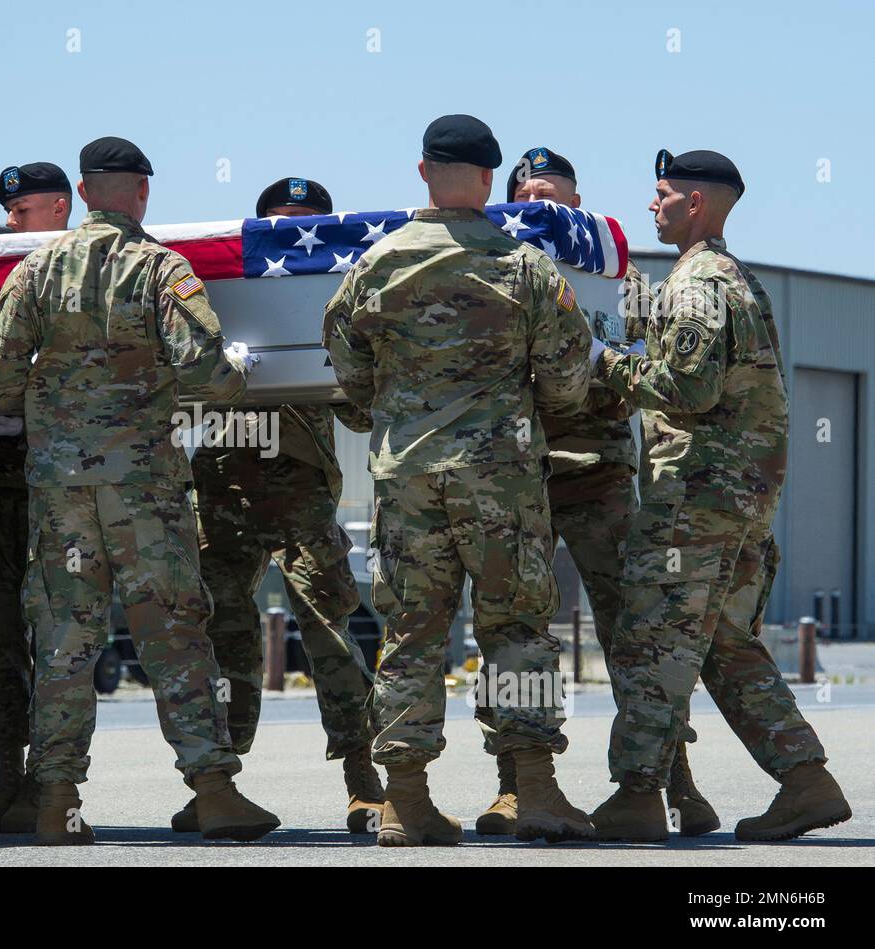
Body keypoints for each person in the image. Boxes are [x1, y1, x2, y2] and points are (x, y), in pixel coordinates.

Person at [0, 135, 281, 845]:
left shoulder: (35, 271)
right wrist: (238, 373)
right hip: (142, 489)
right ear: (143, 192)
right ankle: (212, 791)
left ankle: (55, 801)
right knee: (173, 631)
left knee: (62, 640)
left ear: (82, 193)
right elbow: (208, 374)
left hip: (60, 491)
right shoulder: (160, 270)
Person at [325, 115, 595, 846]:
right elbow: (571, 381)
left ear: (422, 172)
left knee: (411, 631)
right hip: (499, 480)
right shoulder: (525, 268)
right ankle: (533, 789)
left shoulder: (373, 266)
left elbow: (347, 379)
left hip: (406, 477)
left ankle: (404, 801)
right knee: (515, 629)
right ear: (488, 179)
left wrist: (393, 418)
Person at [589, 149, 851, 842]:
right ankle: (805, 781)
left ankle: (639, 796)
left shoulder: (698, 283)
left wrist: (605, 362)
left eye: (662, 193)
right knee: (721, 645)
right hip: (737, 502)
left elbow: (689, 390)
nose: (653, 204)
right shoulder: (731, 280)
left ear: (695, 203)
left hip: (693, 499)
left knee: (651, 637)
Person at [474, 147, 718, 836]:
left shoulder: (622, 280)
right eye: (526, 195)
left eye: (552, 194)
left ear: (578, 206)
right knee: (514, 633)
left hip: (601, 478)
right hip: (519, 482)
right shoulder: (496, 273)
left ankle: (674, 783)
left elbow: (660, 366)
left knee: (633, 635)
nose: (539, 201)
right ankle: (516, 785)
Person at [176, 176, 382, 837]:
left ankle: (364, 781)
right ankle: (218, 788)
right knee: (224, 643)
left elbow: (360, 412)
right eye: (279, 224)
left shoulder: (334, 300)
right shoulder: (225, 299)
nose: (291, 237)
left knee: (330, 638)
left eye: (305, 225)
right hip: (224, 493)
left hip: (301, 499)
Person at [0, 162, 73, 835]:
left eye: (22, 209)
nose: (10, 222)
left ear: (58, 206)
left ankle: (50, 783)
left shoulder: (85, 273)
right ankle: (6, 776)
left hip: (61, 492)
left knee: (58, 642)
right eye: (7, 210)